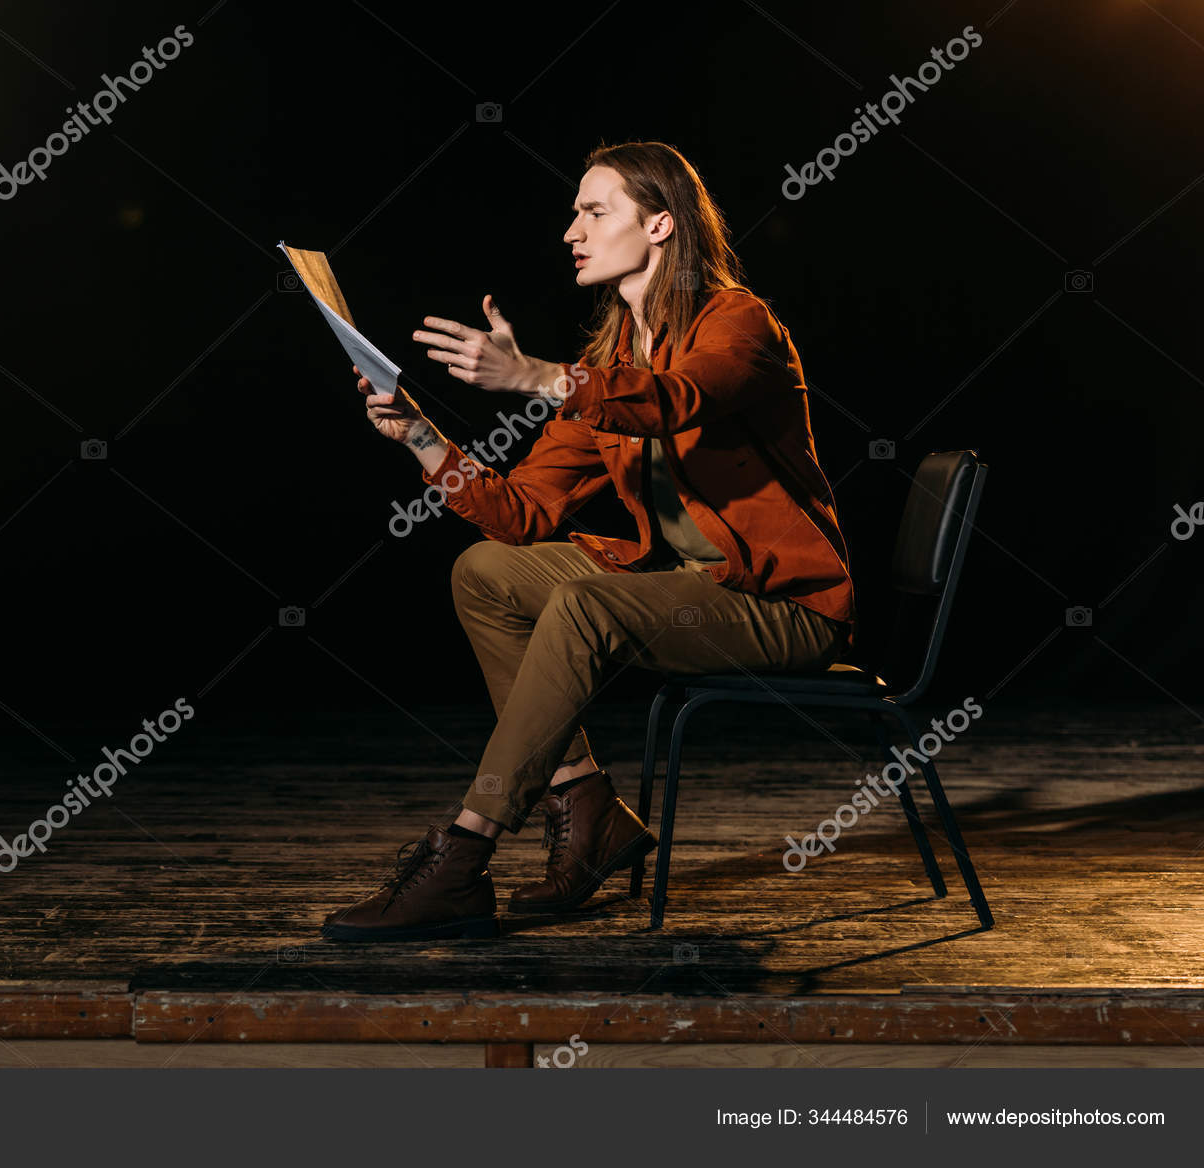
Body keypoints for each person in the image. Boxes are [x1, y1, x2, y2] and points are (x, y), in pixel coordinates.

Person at [320, 141, 856, 942]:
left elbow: (675, 398)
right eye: (575, 212)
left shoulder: (739, 323)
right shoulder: (608, 361)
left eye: (595, 211)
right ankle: (586, 804)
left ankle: (463, 855)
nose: (572, 229)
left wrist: (540, 378)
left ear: (662, 225)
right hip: (683, 589)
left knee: (581, 604)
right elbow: (525, 513)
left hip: (781, 604)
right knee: (486, 571)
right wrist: (422, 438)